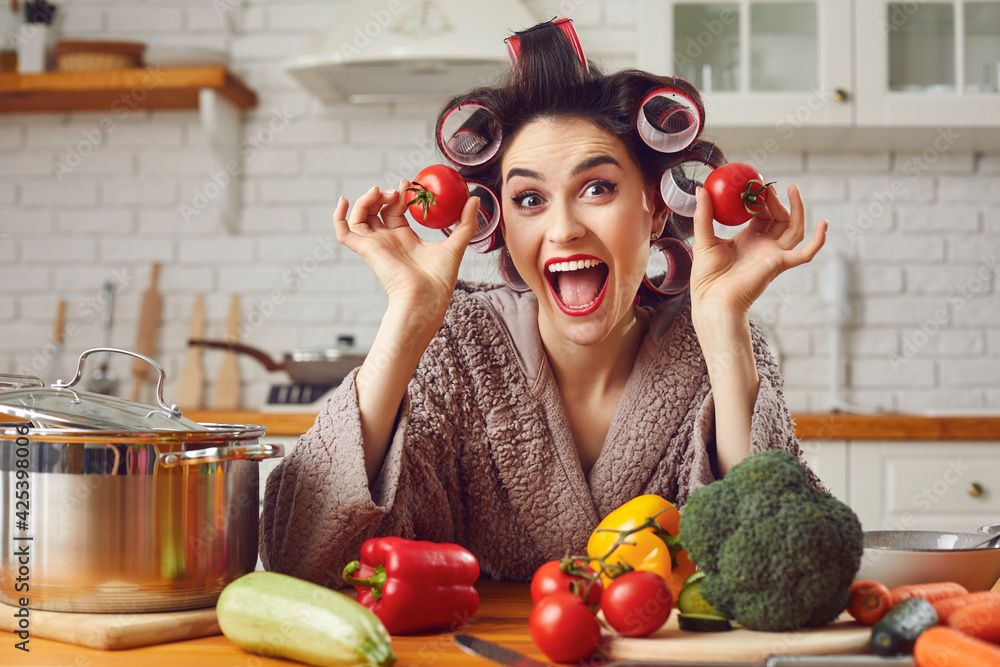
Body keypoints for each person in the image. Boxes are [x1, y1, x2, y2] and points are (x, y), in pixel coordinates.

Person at [260, 18, 828, 587]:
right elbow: (303, 558)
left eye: (597, 188)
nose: (562, 230)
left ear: (655, 209)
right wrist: (408, 318)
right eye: (529, 198)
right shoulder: (457, 345)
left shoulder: (712, 344)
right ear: (502, 224)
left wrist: (724, 322)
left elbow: (774, 564)